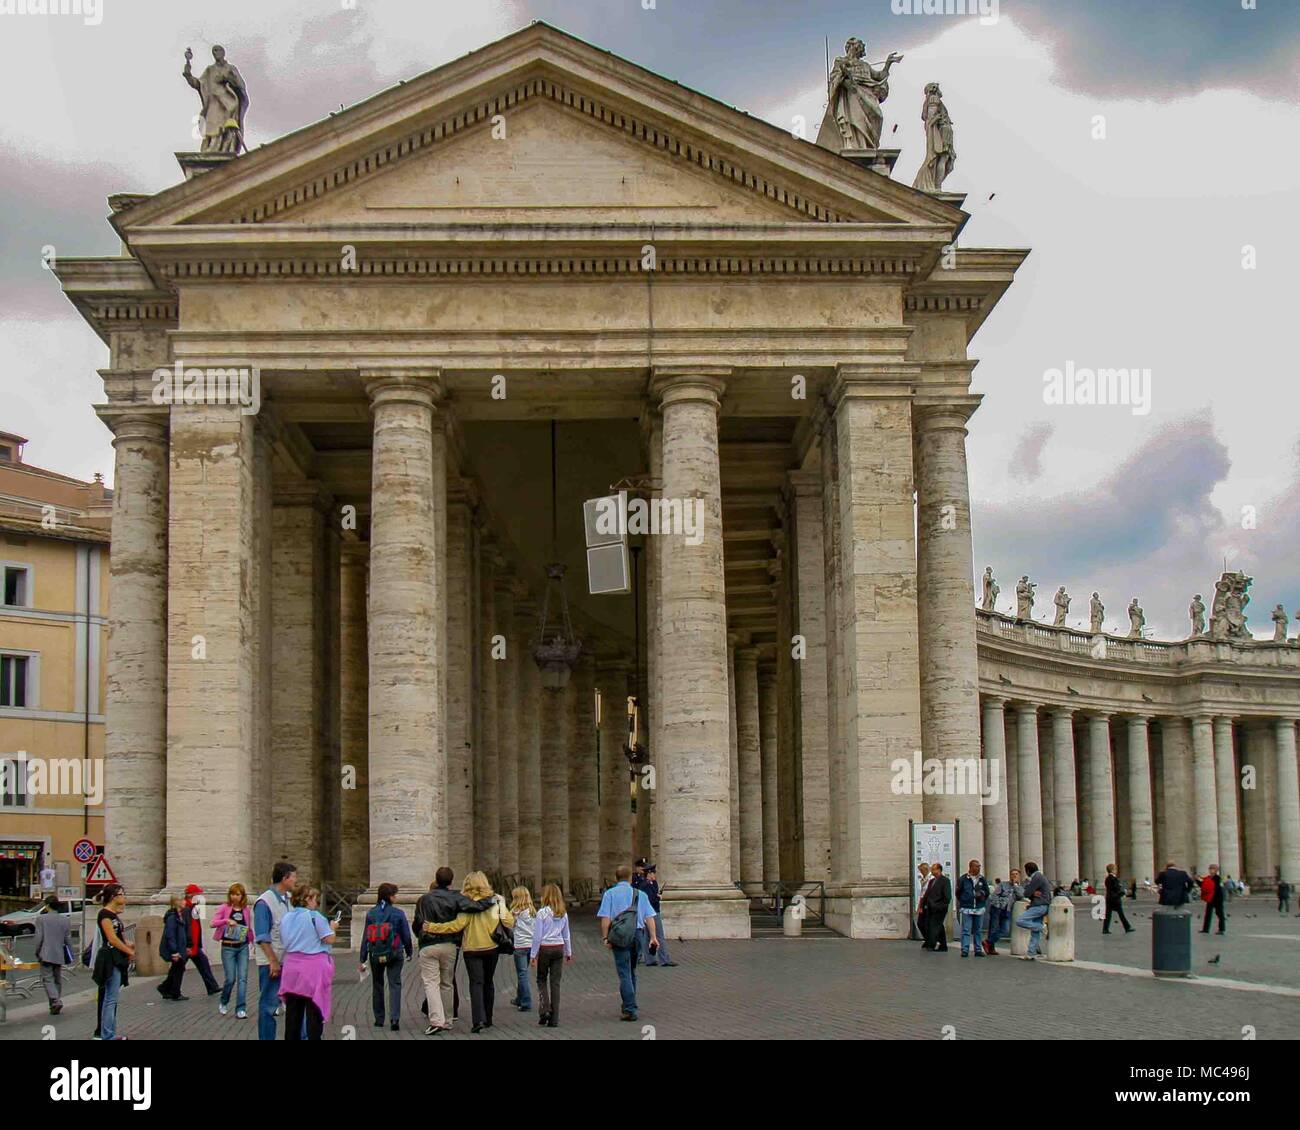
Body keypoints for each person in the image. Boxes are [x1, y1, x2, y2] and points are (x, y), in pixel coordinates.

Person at [423, 871, 514, 1034]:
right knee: (488, 982)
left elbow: (456, 926)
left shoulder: (466, 904)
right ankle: (488, 1018)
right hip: (491, 947)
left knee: (476, 983)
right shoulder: (495, 902)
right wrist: (501, 906)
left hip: (472, 949)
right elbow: (509, 921)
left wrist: (432, 927)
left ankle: (477, 1020)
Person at [411, 866, 494, 1035]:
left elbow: (417, 923)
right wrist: (490, 899)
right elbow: (475, 907)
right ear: (451, 881)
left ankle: (436, 1020)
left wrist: (420, 934)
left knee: (431, 983)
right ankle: (448, 1020)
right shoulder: (456, 897)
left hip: (428, 945)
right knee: (447, 983)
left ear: (436, 878)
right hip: (449, 945)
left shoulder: (424, 899)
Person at [597, 864, 659, 1021]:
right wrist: (653, 937)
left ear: (616, 878)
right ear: (630, 878)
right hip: (637, 935)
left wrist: (605, 937)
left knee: (624, 972)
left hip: (619, 936)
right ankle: (630, 1004)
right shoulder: (640, 894)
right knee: (631, 970)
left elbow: (606, 919)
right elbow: (650, 917)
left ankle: (629, 1008)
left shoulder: (609, 894)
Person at [278, 883, 336, 1040]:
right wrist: (333, 928)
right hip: (313, 969)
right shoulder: (315, 917)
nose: (316, 903)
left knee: (293, 1015)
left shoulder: (286, 918)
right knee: (314, 1013)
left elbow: (284, 940)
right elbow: (329, 938)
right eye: (315, 899)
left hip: (291, 968)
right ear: (307, 899)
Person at [253, 859, 297, 1041]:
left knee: (294, 1004)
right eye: (294, 877)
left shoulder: (287, 901)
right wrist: (273, 961)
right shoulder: (264, 902)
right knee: (269, 1006)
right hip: (272, 963)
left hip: (287, 960)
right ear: (285, 878)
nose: (296, 881)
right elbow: (263, 936)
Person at [359, 882, 412, 1031]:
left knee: (377, 985)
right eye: (394, 894)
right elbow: (406, 935)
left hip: (375, 953)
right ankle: (394, 1018)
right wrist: (409, 951)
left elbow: (366, 937)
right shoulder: (398, 913)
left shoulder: (371, 913)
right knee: (395, 984)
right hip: (395, 952)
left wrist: (362, 958)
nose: (396, 897)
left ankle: (379, 1019)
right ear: (390, 896)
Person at [91, 883, 134, 1040]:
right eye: (122, 894)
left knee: (111, 998)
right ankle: (107, 1035)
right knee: (110, 998)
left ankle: (109, 1033)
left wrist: (130, 945)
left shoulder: (114, 915)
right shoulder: (104, 915)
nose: (124, 898)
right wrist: (128, 951)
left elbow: (119, 937)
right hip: (109, 958)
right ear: (113, 897)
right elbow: (112, 938)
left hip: (116, 957)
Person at [529, 882, 573, 1028]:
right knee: (555, 983)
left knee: (541, 979)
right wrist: (568, 952)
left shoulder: (542, 913)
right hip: (559, 948)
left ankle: (545, 1009)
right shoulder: (563, 913)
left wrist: (533, 955)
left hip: (545, 948)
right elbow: (566, 934)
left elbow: (537, 936)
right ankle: (555, 1018)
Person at [211, 883, 255, 1019]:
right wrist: (226, 921)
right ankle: (224, 1001)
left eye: (237, 894)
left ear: (242, 896)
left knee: (243, 978)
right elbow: (213, 923)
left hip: (242, 946)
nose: (235, 897)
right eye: (232, 894)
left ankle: (241, 1008)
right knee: (230, 979)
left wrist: (252, 942)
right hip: (228, 947)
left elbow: (248, 927)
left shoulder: (246, 910)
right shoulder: (224, 908)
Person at [633, 859, 676, 967]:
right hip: (652, 912)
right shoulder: (645, 885)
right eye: (653, 873)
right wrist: (657, 897)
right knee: (659, 935)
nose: (655, 875)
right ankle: (664, 959)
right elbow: (649, 899)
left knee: (648, 936)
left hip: (651, 911)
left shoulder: (652, 883)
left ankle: (650, 959)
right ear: (649, 874)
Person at [33, 895, 71, 1015]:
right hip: (59, 953)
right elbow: (67, 938)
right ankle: (54, 1004)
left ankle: (55, 1000)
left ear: (47, 906)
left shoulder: (41, 919)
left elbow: (39, 937)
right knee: (57, 979)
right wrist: (70, 953)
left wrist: (37, 951)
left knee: (47, 978)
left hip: (45, 952)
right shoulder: (65, 919)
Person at [1015, 861, 1051, 960]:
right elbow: (1030, 892)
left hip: (1039, 905)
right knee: (1034, 932)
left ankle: (1042, 927)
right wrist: (1033, 893)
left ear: (1028, 870)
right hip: (1042, 905)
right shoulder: (1041, 877)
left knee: (1020, 920)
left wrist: (1031, 892)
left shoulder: (1036, 877)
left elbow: (1026, 893)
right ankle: (1031, 954)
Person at [157, 894, 189, 1001]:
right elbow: (170, 935)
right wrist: (174, 951)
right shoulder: (172, 917)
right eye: (183, 900)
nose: (185, 901)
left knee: (176, 969)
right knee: (178, 969)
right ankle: (175, 992)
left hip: (180, 948)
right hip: (176, 949)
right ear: (177, 902)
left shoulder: (179, 915)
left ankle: (164, 988)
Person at [508, 886, 535, 1013]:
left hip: (520, 946)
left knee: (522, 974)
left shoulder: (515, 912)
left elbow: (509, 925)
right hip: (531, 945)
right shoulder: (533, 911)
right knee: (523, 973)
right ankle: (520, 998)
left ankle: (526, 1001)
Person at [955, 859, 989, 958]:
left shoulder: (982, 879)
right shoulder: (963, 879)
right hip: (967, 907)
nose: (978, 868)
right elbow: (958, 892)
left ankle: (978, 949)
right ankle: (965, 949)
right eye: (976, 866)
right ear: (971, 867)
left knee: (978, 929)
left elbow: (987, 892)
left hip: (979, 906)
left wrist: (982, 896)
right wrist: (964, 900)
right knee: (966, 929)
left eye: (979, 866)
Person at [985, 868, 1021, 955]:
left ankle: (988, 942)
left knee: (1005, 929)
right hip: (997, 908)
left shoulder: (1019, 887)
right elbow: (994, 895)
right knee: (993, 928)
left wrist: (1015, 886)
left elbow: (1021, 896)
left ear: (1019, 876)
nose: (1014, 876)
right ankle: (991, 948)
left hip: (1007, 910)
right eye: (1012, 874)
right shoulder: (1003, 884)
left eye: (1016, 874)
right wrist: (998, 905)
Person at [921, 861, 952, 953]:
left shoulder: (945, 881)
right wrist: (924, 905)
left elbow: (947, 896)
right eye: (932, 869)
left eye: (934, 869)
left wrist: (940, 905)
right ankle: (943, 945)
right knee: (938, 926)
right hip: (930, 907)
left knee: (934, 926)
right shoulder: (931, 881)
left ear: (939, 870)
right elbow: (927, 894)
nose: (932, 871)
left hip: (939, 907)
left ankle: (931, 944)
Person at [1102, 863, 1134, 935]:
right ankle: (1127, 927)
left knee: (1108, 914)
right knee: (1121, 914)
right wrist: (1122, 892)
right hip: (1115, 899)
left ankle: (1105, 928)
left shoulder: (1107, 878)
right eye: (1115, 869)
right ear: (1113, 870)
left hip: (1109, 898)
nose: (1116, 870)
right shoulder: (1113, 878)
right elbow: (1116, 888)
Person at [1200, 863, 1226, 936]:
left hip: (1217, 898)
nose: (1211, 870)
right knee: (1208, 914)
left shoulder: (1217, 878)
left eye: (1213, 869)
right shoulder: (1208, 878)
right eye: (1210, 868)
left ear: (1216, 870)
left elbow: (1216, 887)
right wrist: (1198, 880)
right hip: (1210, 898)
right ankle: (1205, 929)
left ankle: (1221, 929)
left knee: (1220, 914)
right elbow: (1203, 885)